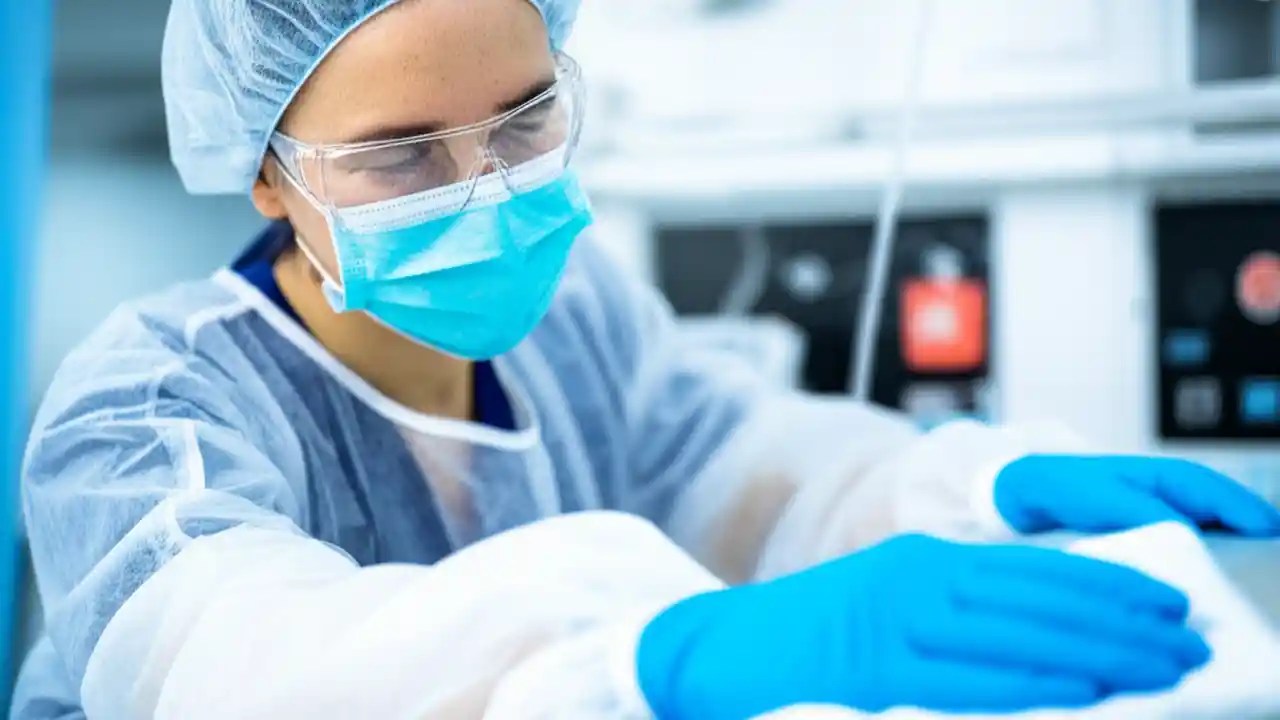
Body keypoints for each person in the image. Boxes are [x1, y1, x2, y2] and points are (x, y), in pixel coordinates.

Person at [13, 1, 1280, 718]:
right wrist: (651, 654)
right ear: (267, 180)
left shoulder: (573, 323)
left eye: (523, 123)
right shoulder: (145, 414)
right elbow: (246, 674)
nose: (488, 195)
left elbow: (731, 463)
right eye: (402, 156)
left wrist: (967, 489)